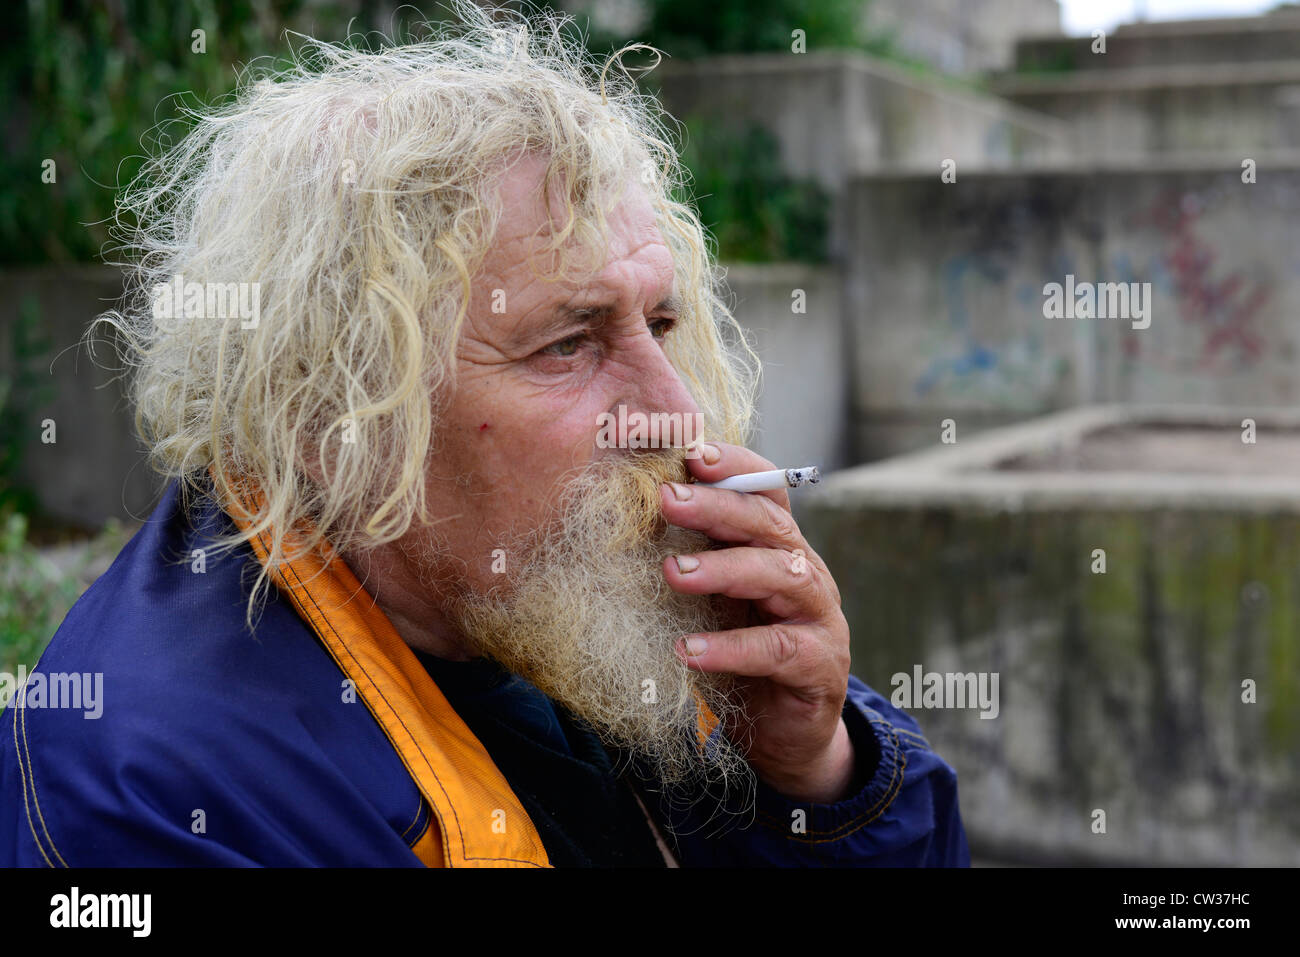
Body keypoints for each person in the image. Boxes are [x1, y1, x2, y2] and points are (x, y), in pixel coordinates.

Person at [0, 2, 968, 867]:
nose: (673, 409)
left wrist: (816, 777)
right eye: (566, 344)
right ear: (331, 410)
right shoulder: (156, 795)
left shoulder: (576, 600)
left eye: (661, 324)